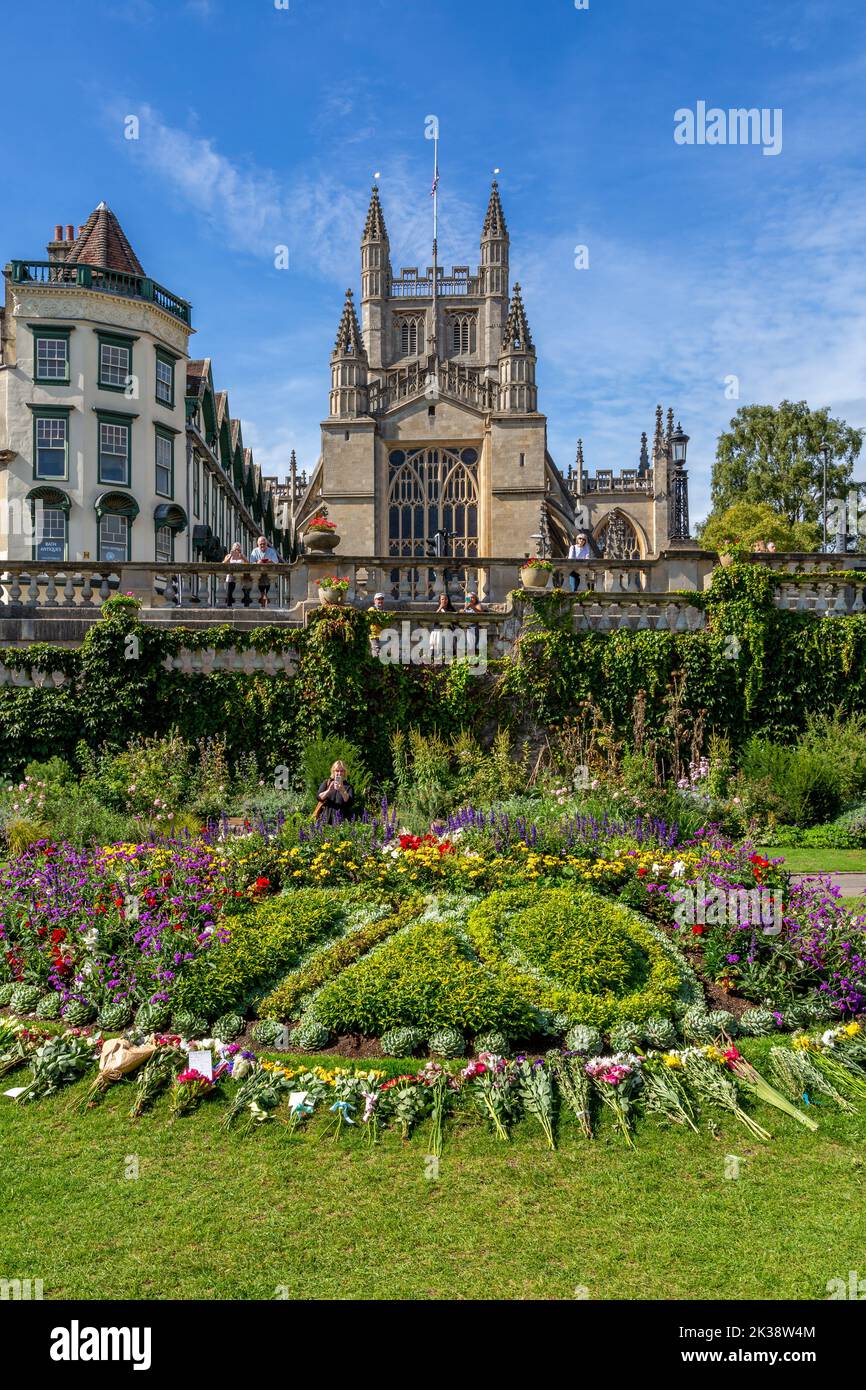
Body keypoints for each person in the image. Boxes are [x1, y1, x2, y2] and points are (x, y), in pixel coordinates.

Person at [250, 534, 279, 608]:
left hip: (269, 577)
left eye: (264, 544)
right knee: (260, 596)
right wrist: (257, 562)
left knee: (270, 596)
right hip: (258, 577)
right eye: (260, 544)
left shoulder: (271, 551)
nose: (262, 545)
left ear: (267, 544)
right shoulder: (255, 551)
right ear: (257, 544)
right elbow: (251, 563)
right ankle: (261, 609)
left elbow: (276, 562)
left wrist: (270, 561)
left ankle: (269, 610)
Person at [222, 542, 250, 608]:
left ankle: (243, 606)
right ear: (232, 549)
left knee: (242, 594)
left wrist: (243, 558)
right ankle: (229, 606)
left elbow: (248, 565)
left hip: (241, 578)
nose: (237, 551)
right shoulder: (228, 556)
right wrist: (230, 557)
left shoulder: (242, 555)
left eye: (238, 549)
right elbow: (223, 564)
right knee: (230, 593)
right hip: (231, 577)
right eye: (235, 549)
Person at [429, 592, 455, 663]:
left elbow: (454, 620)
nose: (444, 601)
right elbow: (434, 618)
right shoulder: (437, 608)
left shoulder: (451, 609)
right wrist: (440, 608)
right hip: (438, 630)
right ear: (440, 600)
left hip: (448, 630)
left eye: (446, 599)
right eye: (442, 599)